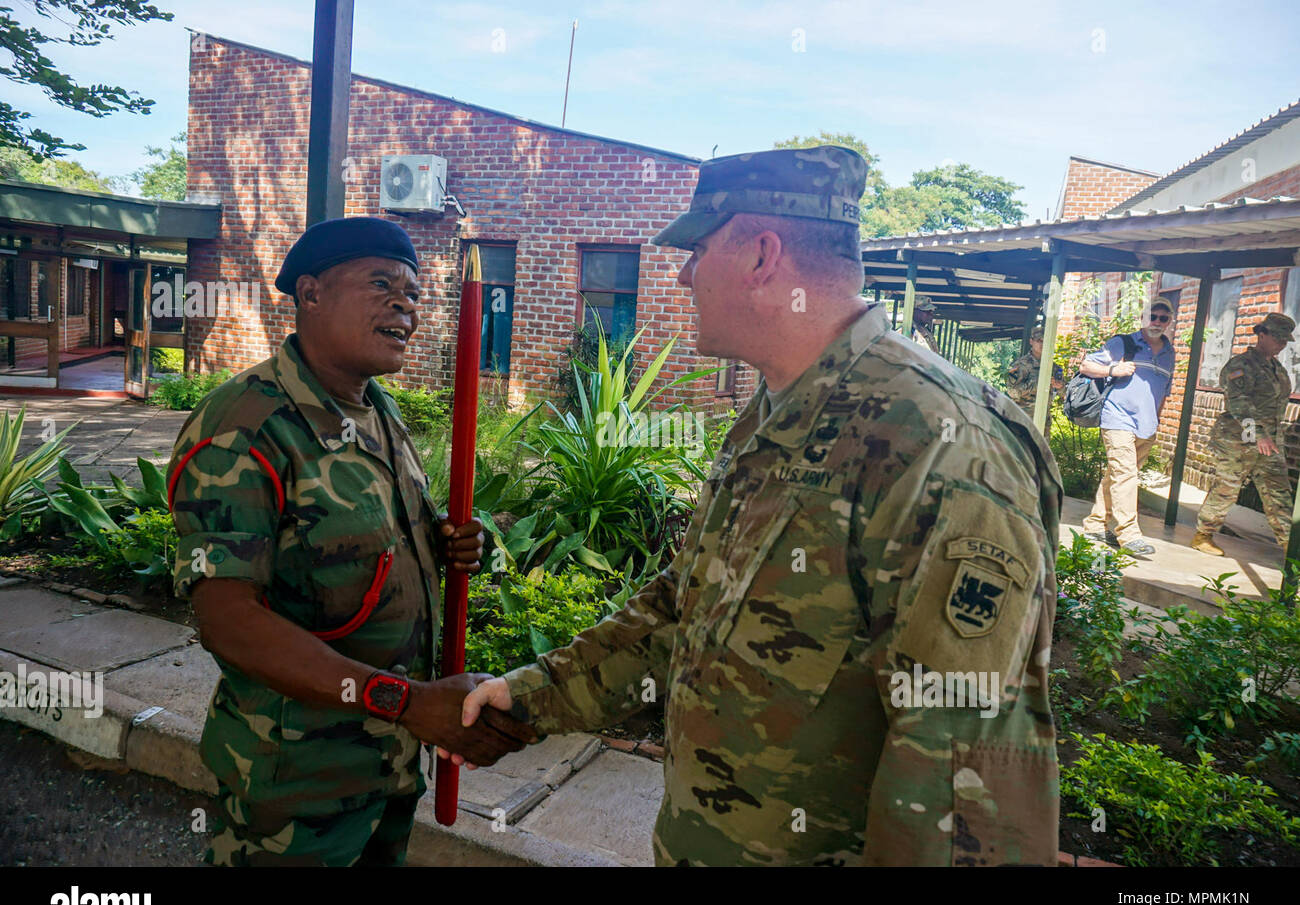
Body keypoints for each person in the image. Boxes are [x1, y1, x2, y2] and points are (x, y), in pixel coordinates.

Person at [449, 146, 1064, 866]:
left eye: (697, 251)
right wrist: (527, 697)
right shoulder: (772, 415)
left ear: (762, 256)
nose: (683, 276)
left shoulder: (939, 440)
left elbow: (963, 762)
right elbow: (682, 610)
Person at [167, 216, 536, 866]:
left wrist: (442, 543)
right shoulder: (245, 426)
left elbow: (367, 541)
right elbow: (228, 621)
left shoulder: (378, 411)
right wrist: (408, 702)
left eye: (414, 294)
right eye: (381, 285)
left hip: (388, 765)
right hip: (295, 784)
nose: (405, 307)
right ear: (311, 293)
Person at [1078, 297, 1177, 557]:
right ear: (1144, 318)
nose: (1156, 322)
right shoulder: (1124, 343)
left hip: (1147, 425)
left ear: (1169, 321)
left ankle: (1095, 524)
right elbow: (1086, 365)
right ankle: (1129, 534)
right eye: (1152, 316)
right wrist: (1114, 369)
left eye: (1163, 318)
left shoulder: (1170, 353)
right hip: (1117, 418)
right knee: (1125, 474)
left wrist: (1156, 422)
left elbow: (1164, 393)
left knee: (1118, 474)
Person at [1192, 312, 1296, 555]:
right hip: (1239, 440)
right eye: (1278, 338)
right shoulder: (1241, 365)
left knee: (1279, 493)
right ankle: (1203, 535)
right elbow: (1238, 403)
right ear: (1262, 335)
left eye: (1285, 340)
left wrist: (1268, 436)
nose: (1282, 344)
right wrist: (1258, 434)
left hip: (1269, 442)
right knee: (1227, 488)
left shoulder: (1278, 369)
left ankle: (1291, 548)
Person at [1004, 326, 1064, 435]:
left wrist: (1060, 387)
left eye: (1045, 341)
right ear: (1031, 341)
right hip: (1022, 421)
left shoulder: (1054, 368)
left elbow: (1065, 394)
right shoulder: (1020, 365)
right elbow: (1012, 392)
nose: (1042, 344)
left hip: (1043, 423)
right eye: (1039, 340)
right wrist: (1037, 384)